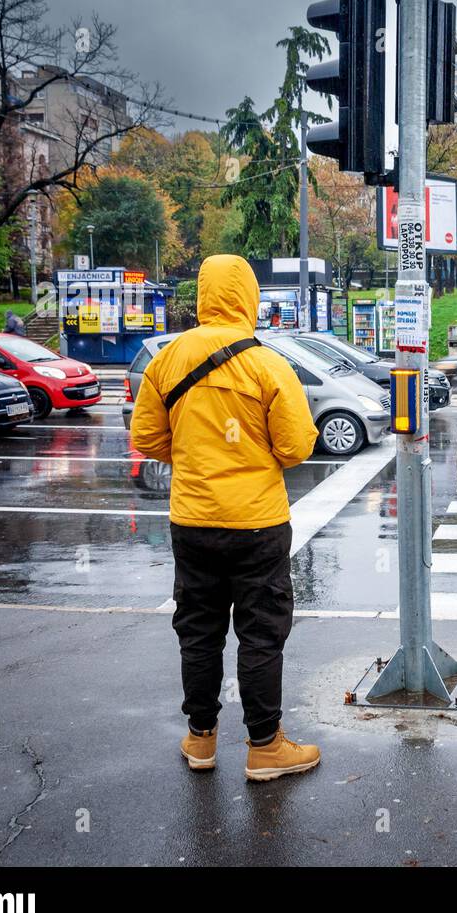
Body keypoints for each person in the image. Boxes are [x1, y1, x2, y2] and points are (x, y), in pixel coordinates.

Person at [132, 254, 321, 781]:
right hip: (257, 523)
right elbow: (296, 446)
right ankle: (265, 745)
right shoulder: (267, 364)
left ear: (203, 295)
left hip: (192, 520)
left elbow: (146, 438)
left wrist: (196, 452)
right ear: (249, 298)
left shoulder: (168, 359)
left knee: (198, 630)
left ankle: (200, 739)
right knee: (261, 633)